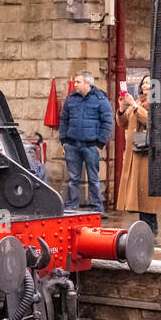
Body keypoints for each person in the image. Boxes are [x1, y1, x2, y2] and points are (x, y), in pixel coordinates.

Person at [116, 73, 161, 235]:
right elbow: (123, 123)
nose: (144, 86)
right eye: (143, 83)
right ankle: (144, 226)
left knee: (148, 192)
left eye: (148, 83)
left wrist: (134, 105)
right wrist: (122, 108)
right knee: (139, 191)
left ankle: (151, 228)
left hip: (150, 153)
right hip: (136, 151)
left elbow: (153, 122)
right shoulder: (139, 102)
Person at [59, 70, 113, 214]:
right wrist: (64, 140)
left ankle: (97, 209)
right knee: (72, 178)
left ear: (88, 83)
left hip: (91, 145)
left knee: (93, 179)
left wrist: (100, 143)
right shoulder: (70, 99)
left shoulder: (101, 99)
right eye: (75, 81)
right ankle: (71, 207)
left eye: (78, 81)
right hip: (72, 144)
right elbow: (64, 120)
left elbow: (107, 122)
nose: (74, 84)